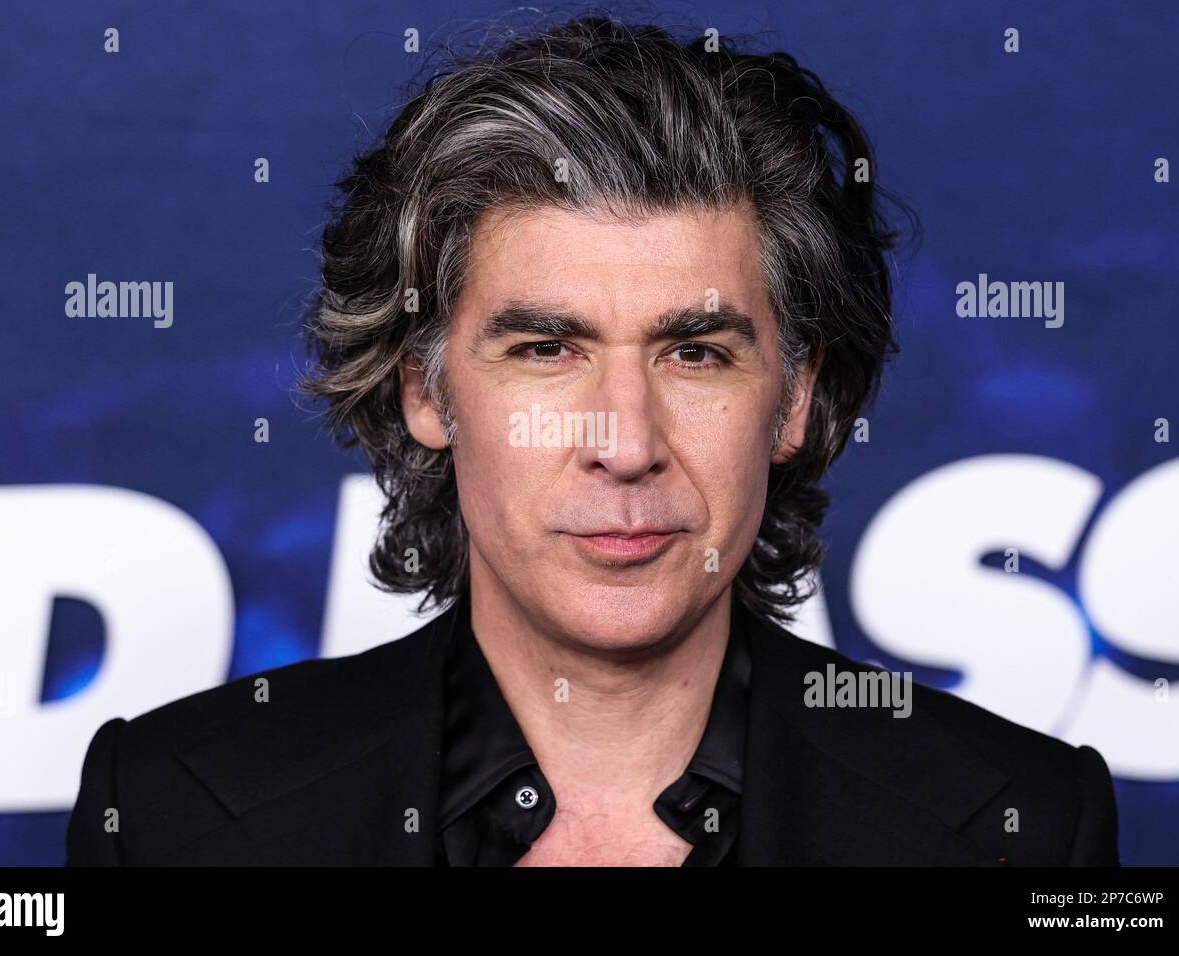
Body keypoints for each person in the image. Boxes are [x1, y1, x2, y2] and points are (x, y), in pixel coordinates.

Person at [67, 15, 1119, 866]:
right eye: (544, 349)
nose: (624, 442)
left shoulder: (1017, 826)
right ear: (424, 391)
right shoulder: (174, 811)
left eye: (696, 353)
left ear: (795, 401)